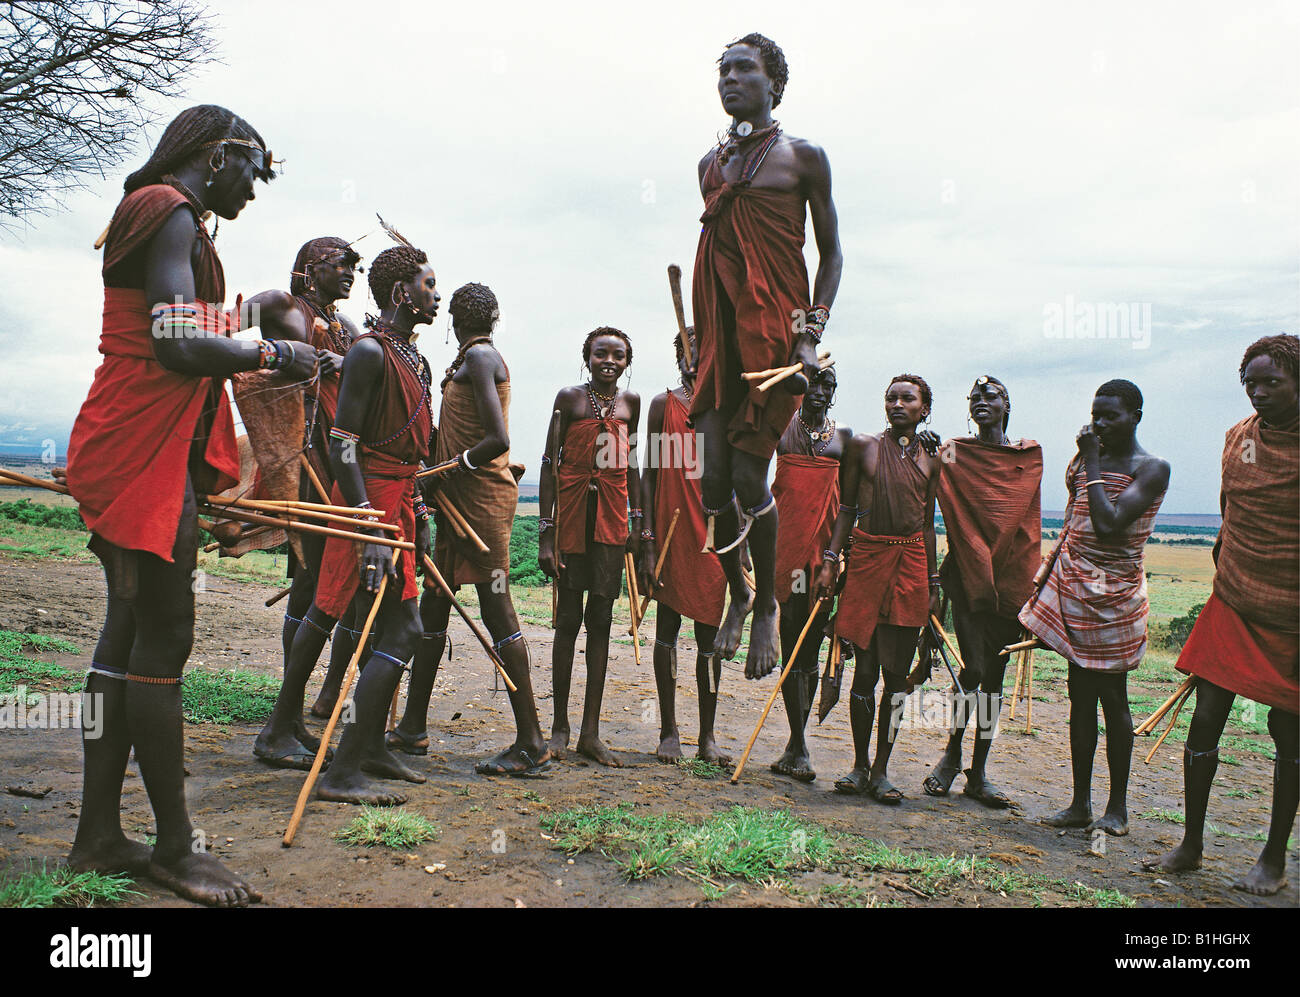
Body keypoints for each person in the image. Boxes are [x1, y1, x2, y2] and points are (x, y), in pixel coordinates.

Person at [66, 105, 316, 906]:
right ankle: (176, 847)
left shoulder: (164, 216)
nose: (255, 188)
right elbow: (177, 342)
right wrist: (277, 351)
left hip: (137, 435)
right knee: (164, 632)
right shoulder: (167, 210)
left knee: (129, 631)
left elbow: (184, 330)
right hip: (141, 444)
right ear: (220, 154)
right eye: (253, 170)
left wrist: (253, 336)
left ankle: (99, 836)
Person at [255, 243, 436, 805]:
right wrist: (367, 524)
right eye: (430, 284)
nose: (437, 294)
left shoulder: (411, 357)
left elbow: (411, 448)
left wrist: (419, 509)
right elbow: (344, 443)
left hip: (396, 498)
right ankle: (343, 762)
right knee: (367, 617)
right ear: (403, 292)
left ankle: (356, 745)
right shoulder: (367, 350)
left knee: (346, 612)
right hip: (363, 499)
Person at [690, 32, 842, 680]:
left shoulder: (803, 157)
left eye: (743, 69)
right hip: (721, 338)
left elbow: (831, 254)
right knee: (711, 482)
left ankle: (769, 604)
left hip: (777, 339)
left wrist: (810, 334)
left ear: (773, 83)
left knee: (752, 480)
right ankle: (740, 587)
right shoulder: (708, 163)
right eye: (722, 69)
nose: (730, 79)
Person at [1144, 335, 1298, 895]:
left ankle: (1274, 857)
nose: (1258, 394)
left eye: (1272, 383)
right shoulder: (1241, 440)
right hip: (1234, 598)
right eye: (1250, 384)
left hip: (1295, 612)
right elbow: (1230, 511)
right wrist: (1225, 569)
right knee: (1207, 716)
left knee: (1289, 731)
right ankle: (1190, 842)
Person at [387, 282, 551, 777]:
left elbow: (496, 438)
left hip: (479, 498)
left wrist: (449, 467)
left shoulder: (480, 359)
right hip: (453, 496)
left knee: (497, 607)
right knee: (435, 600)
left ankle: (531, 743)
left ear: (455, 319)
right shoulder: (469, 360)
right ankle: (413, 727)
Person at [1020, 379, 1169, 836]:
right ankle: (1080, 802)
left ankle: (1118, 809)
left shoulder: (1153, 468)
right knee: (1079, 696)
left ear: (1135, 417)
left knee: (1112, 698)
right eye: (1096, 414)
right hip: (1077, 589)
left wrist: (1094, 460)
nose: (1100, 424)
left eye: (1112, 416)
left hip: (1115, 596)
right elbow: (1075, 514)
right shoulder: (1089, 462)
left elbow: (1107, 524)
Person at [240, 237, 364, 721]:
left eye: (356, 267)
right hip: (301, 456)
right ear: (313, 267)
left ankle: (323, 695)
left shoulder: (346, 327)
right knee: (310, 577)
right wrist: (280, 354)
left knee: (345, 577)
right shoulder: (279, 304)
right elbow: (218, 334)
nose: (351, 274)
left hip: (340, 460)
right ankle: (287, 712)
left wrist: (345, 360)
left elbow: (372, 365)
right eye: (343, 265)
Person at [815, 375, 941, 804]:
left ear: (924, 408)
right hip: (867, 561)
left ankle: (883, 770)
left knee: (895, 676)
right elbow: (847, 507)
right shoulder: (865, 447)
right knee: (864, 672)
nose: (898, 404)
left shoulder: (932, 457)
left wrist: (933, 581)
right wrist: (830, 561)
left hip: (910, 566)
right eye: (891, 398)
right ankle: (858, 765)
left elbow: (927, 525)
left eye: (908, 398)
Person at [922, 376, 1042, 807]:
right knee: (972, 670)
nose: (981, 401)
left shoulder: (1028, 456)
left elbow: (1026, 525)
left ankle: (979, 771)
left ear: (1007, 404)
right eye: (974, 397)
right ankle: (951, 755)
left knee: (993, 680)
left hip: (1011, 581)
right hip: (970, 576)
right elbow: (930, 475)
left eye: (990, 396)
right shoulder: (955, 450)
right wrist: (925, 443)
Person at [538, 328, 641, 767]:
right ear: (587, 357)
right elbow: (548, 463)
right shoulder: (569, 398)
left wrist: (638, 524)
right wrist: (546, 531)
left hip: (612, 522)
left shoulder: (630, 405)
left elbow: (633, 463)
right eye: (601, 353)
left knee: (601, 619)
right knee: (567, 620)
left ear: (626, 362)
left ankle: (590, 733)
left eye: (618, 356)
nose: (610, 362)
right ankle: (559, 726)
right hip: (573, 519)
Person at [639, 327, 730, 764]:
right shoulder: (664, 405)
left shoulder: (727, 407)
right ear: (678, 356)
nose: (692, 361)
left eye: (702, 352)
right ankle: (669, 729)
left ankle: (708, 736)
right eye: (685, 352)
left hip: (714, 537)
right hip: (671, 531)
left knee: (708, 639)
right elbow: (650, 474)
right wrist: (648, 541)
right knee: (667, 633)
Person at [769, 365, 851, 782]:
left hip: (825, 557)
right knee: (791, 639)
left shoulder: (845, 438)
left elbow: (853, 504)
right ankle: (796, 742)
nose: (819, 390)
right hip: (787, 553)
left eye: (827, 384)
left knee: (814, 642)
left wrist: (839, 558)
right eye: (813, 382)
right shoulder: (780, 431)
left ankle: (798, 743)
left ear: (834, 391)